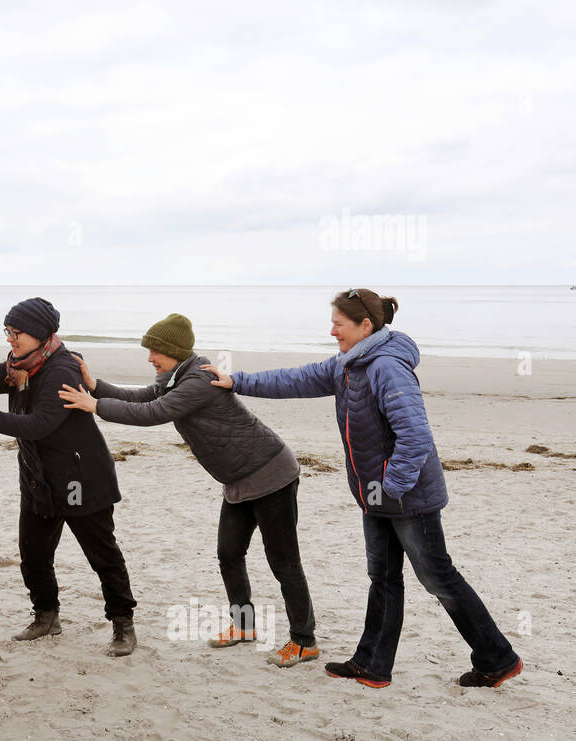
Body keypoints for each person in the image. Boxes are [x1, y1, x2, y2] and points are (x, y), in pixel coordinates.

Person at [204, 289, 522, 689]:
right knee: (383, 577)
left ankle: (497, 658)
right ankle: (372, 664)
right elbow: (297, 379)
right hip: (376, 496)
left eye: (339, 323)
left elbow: (416, 436)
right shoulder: (348, 365)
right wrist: (237, 380)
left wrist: (393, 486)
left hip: (407, 497)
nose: (332, 330)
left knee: (438, 578)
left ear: (365, 325)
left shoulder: (386, 367)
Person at [59, 313, 318, 667]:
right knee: (229, 554)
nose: (150, 357)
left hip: (270, 473)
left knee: (284, 563)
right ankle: (243, 626)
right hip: (239, 480)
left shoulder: (197, 382)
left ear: (174, 351)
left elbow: (154, 412)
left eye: (155, 351)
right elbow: (144, 397)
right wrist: (95, 386)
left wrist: (95, 406)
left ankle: (304, 642)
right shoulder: (177, 376)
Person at [0, 297, 138, 656]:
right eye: (7, 332)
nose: (10, 339)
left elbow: (39, 425)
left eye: (16, 333)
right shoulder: (20, 365)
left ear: (40, 334)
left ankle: (123, 624)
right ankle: (46, 616)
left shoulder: (62, 369)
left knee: (102, 555)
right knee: (33, 553)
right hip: (38, 479)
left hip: (81, 478)